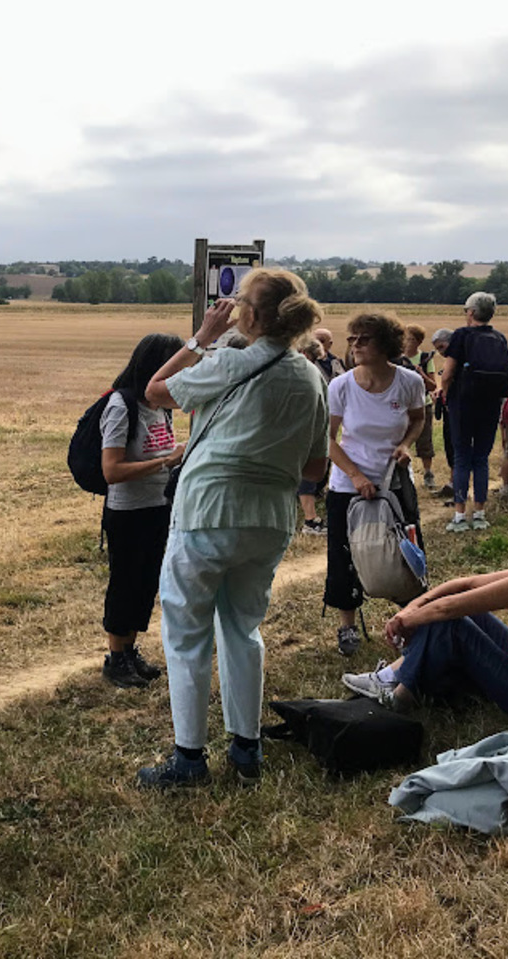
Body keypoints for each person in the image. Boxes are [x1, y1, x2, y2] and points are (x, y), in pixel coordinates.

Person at [137, 269, 328, 788]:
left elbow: (155, 391)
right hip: (269, 519)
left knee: (186, 635)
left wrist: (201, 338)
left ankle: (189, 759)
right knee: (243, 630)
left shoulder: (228, 361)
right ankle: (247, 750)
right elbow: (315, 468)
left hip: (207, 510)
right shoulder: (312, 377)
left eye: (240, 302)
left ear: (250, 316)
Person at [341, 488, 508, 727]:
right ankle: (392, 675)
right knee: (451, 614)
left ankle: (398, 695)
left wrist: (407, 622)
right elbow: (465, 584)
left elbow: (449, 608)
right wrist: (411, 608)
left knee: (449, 620)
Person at [325, 312, 427, 657]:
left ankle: (409, 622)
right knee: (345, 555)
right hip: (347, 486)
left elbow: (418, 419)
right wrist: (355, 475)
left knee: (405, 554)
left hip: (394, 483)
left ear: (386, 344)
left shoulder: (409, 382)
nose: (354, 346)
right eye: (351, 339)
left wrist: (406, 446)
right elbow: (327, 439)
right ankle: (347, 627)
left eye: (363, 339)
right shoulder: (340, 386)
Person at [98, 334, 186, 687]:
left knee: (146, 582)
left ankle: (130, 651)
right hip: (128, 511)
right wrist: (166, 460)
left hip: (157, 506)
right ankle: (116, 656)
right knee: (125, 583)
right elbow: (112, 471)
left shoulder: (159, 406)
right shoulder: (122, 406)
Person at [439, 292, 508, 533]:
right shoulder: (499, 338)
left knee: (462, 457)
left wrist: (445, 394)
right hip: (490, 404)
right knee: (481, 458)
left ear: (470, 313)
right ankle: (479, 513)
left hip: (463, 403)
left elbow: (448, 372)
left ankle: (459, 515)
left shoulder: (461, 335)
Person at [297, 337, 328, 535]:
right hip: (305, 430)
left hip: (307, 429)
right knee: (306, 478)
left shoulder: (306, 371)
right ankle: (310, 521)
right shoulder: (309, 372)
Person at [403, 324, 438, 490]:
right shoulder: (396, 358)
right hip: (401, 405)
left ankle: (428, 472)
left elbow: (432, 386)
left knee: (425, 441)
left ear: (418, 342)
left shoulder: (425, 359)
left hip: (423, 404)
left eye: (410, 339)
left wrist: (420, 374)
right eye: (404, 338)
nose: (406, 342)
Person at [429, 328, 456, 502]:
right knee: (451, 449)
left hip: (456, 411)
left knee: (456, 449)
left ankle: (457, 488)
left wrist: (443, 393)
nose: (441, 352)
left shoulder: (456, 359)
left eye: (442, 347)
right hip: (451, 410)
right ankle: (453, 484)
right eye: (438, 349)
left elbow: (447, 380)